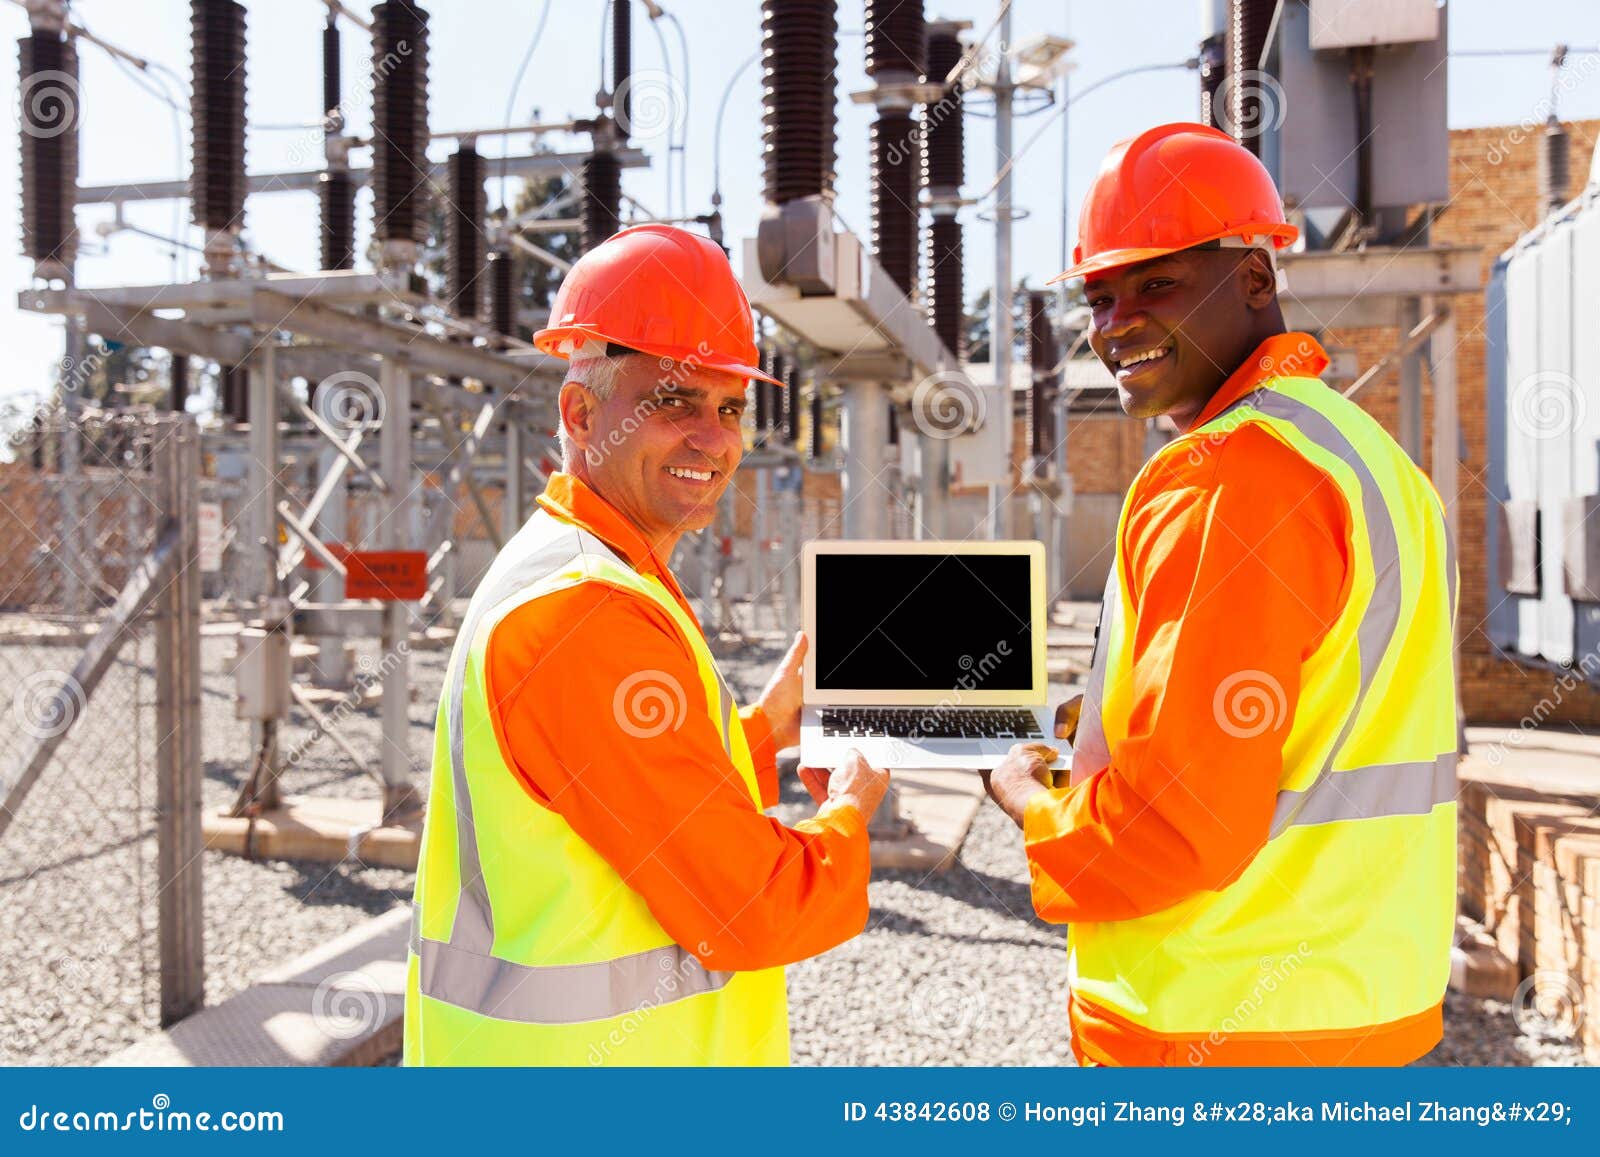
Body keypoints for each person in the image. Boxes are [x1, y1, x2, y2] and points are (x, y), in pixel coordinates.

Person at [984, 123, 1458, 1066]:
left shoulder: (1228, 479)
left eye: (1157, 283)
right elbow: (1314, 706)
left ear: (1255, 278)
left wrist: (1031, 804)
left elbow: (1176, 830)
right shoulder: (1357, 450)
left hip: (1221, 1024)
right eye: (1101, 295)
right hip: (1363, 1001)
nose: (1117, 321)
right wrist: (1118, 718)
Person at [404, 223, 890, 1066]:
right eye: (673, 400)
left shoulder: (579, 567)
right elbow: (755, 908)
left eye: (730, 405)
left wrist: (767, 725)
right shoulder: (586, 612)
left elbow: (627, 781)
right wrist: (847, 809)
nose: (714, 437)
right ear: (580, 411)